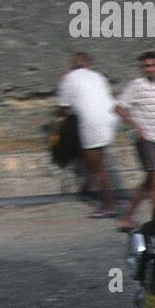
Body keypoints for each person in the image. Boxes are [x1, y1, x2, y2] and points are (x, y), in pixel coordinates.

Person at [114, 51, 155, 231]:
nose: (150, 69)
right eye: (146, 66)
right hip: (143, 138)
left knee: (151, 180)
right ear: (142, 68)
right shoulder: (136, 85)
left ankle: (127, 217)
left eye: (153, 65)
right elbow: (118, 107)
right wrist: (135, 126)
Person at [56, 52, 117, 218]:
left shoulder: (68, 78)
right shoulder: (99, 76)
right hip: (110, 119)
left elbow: (63, 108)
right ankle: (87, 187)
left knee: (98, 168)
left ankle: (108, 206)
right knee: (93, 157)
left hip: (92, 122)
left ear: (72, 65)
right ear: (88, 65)